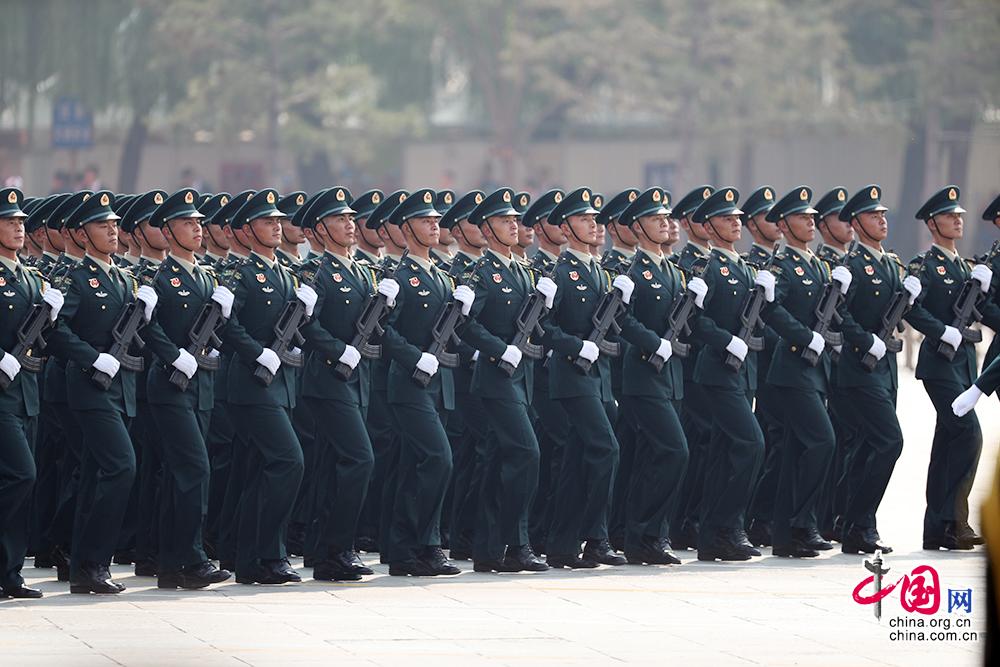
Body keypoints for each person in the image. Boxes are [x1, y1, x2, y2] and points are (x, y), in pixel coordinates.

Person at [48, 191, 156, 594]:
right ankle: (93, 560)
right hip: (90, 387)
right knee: (120, 466)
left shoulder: (125, 278)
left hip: (121, 387)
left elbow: (136, 336)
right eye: (101, 226)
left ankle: (82, 566)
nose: (111, 231)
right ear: (81, 234)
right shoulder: (76, 278)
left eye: (113, 225)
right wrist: (91, 358)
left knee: (96, 474)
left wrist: (146, 315)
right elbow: (56, 331)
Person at [299, 187, 394, 581]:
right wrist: (338, 349)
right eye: (340, 219)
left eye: (350, 218)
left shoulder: (363, 269)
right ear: (321, 228)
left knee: (331, 465)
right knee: (360, 459)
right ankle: (339, 547)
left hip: (358, 380)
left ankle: (324, 553)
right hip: (328, 378)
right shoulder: (315, 272)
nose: (350, 225)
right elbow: (305, 325)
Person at [458, 188, 553, 572]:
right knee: (526, 454)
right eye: (503, 220)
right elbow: (464, 324)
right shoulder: (481, 272)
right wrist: (499, 349)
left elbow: (537, 328)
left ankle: (487, 548)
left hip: (522, 378)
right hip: (496, 379)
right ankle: (517, 543)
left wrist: (547, 305)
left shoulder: (524, 271)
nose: (514, 225)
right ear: (486, 228)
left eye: (515, 219)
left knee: (499, 461)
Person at [143, 188, 232, 588]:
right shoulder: (161, 277)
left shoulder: (207, 275)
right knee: (194, 468)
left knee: (185, 472)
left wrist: (224, 319)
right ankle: (191, 558)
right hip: (171, 385)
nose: (196, 229)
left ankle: (169, 563)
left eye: (198, 223)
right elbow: (147, 327)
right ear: (167, 231)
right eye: (186, 223)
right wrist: (171, 355)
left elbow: (218, 334)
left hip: (202, 386)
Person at [219, 188, 307, 585]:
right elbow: (227, 323)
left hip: (280, 383)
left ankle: (249, 557)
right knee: (289, 461)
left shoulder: (284, 273)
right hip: (251, 384)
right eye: (266, 221)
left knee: (261, 470)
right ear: (246, 230)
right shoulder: (241, 273)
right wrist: (258, 353)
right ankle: (267, 554)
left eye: (277, 220)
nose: (276, 226)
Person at [904, 186, 998, 550]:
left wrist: (984, 292)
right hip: (938, 364)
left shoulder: (968, 267)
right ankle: (955, 521)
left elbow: (982, 310)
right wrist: (939, 329)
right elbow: (911, 307)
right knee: (968, 433)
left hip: (964, 363)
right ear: (932, 223)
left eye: (959, 215)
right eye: (948, 216)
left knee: (947, 441)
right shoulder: (925, 265)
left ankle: (937, 528)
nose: (957, 221)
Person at [541, 187, 630, 568]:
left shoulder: (599, 271)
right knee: (606, 449)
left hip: (599, 377)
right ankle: (596, 537)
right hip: (572, 377)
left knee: (577, 460)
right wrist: (575, 346)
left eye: (594, 219)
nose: (593, 225)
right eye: (583, 219)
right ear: (564, 227)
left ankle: (561, 544)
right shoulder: (561, 272)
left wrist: (622, 304)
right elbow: (540, 327)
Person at [380, 188, 465, 577]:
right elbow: (383, 331)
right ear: (406, 228)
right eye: (426, 220)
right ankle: (410, 543)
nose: (435, 225)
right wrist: (417, 357)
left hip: (439, 383)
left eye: (436, 219)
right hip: (409, 384)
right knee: (437, 458)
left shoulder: (442, 276)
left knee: (421, 463)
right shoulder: (399, 277)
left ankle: (421, 547)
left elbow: (452, 333)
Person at [617, 187, 705, 564]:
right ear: (638, 227)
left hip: (670, 378)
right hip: (641, 376)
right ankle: (642, 533)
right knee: (674, 450)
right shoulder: (634, 271)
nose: (667, 223)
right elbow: (621, 320)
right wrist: (653, 342)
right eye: (657, 219)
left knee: (655, 455)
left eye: (668, 218)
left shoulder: (673, 270)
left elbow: (688, 326)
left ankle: (649, 536)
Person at [759, 187, 845, 557]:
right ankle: (802, 522)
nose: (810, 222)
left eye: (812, 217)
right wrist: (804, 336)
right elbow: (771, 310)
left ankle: (785, 535)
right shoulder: (780, 266)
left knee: (796, 449)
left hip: (815, 369)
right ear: (783, 224)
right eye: (801, 218)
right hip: (792, 369)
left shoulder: (818, 264)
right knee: (822, 442)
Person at [835, 185, 919, 555]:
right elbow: (837, 314)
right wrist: (863, 339)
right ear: (855, 223)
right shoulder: (850, 266)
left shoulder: (892, 263)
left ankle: (856, 526)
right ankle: (857, 519)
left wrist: (914, 296)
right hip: (857, 369)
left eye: (883, 214)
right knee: (890, 440)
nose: (882, 220)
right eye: (873, 215)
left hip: (884, 369)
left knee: (871, 444)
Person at [0, 188, 63, 598]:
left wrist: (52, 318)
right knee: (22, 474)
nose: (19, 228)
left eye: (22, 222)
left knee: (24, 479)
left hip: (27, 391)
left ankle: (10, 572)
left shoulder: (31, 277)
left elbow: (44, 342)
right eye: (10, 222)